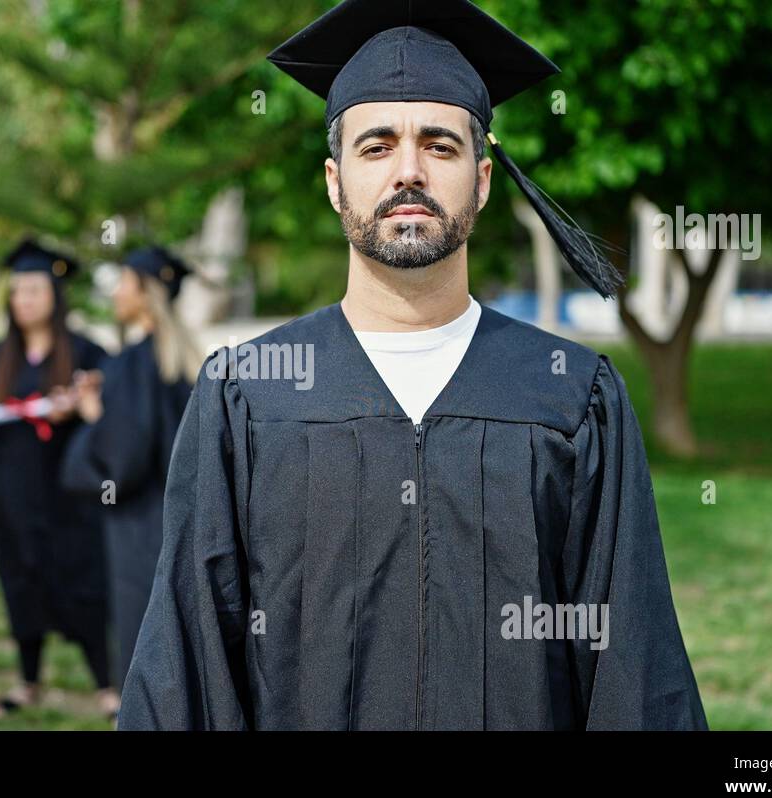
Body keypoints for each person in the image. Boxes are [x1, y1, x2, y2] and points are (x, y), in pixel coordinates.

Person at [118, 0, 708, 730]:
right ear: (335, 182)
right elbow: (189, 658)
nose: (408, 171)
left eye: (439, 145)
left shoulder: (571, 397)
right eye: (376, 146)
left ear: (483, 178)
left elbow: (633, 665)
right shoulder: (247, 395)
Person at [0, 239, 115, 717]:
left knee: (82, 583)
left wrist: (86, 408)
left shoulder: (87, 352)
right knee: (20, 583)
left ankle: (108, 686)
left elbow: (112, 416)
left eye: (33, 290)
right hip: (12, 497)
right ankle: (27, 682)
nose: (23, 300)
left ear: (54, 295)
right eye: (17, 291)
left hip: (69, 499)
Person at [61, 247, 198, 707]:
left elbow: (123, 463)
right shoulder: (185, 362)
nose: (115, 291)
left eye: (123, 282)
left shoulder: (129, 364)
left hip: (139, 523)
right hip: (183, 515)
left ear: (145, 293)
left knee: (142, 625)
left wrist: (95, 418)